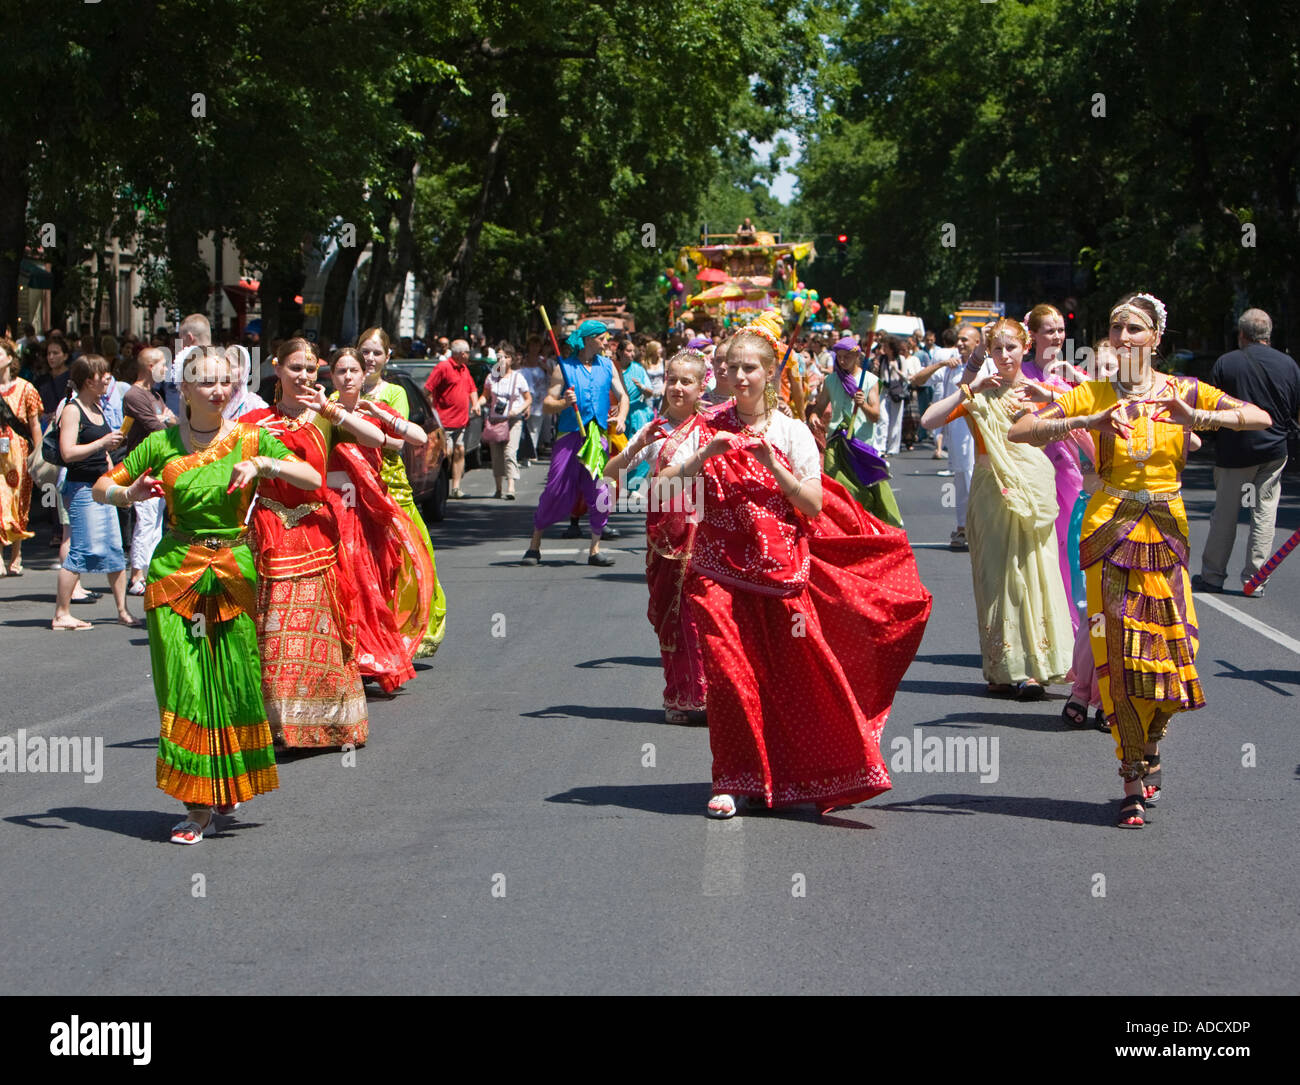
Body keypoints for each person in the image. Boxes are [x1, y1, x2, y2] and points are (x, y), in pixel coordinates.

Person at [1009, 292, 1271, 828]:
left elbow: (1259, 416)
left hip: (1167, 533)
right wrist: (1088, 423)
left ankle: (1152, 745)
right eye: (1115, 329)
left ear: (1155, 338)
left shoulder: (1182, 390)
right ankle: (1130, 778)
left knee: (1177, 651)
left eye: (1134, 330)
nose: (1123, 338)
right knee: (1119, 654)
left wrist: (1195, 415)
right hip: (1110, 532)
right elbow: (1021, 430)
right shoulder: (1094, 392)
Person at [657, 311, 931, 818]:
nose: (739, 378)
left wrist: (772, 465)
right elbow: (662, 486)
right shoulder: (704, 427)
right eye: (732, 368)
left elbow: (810, 504)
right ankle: (731, 779)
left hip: (781, 577)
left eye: (750, 369)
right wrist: (704, 454)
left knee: (788, 683)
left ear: (769, 375)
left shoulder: (791, 432)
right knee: (729, 678)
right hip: (716, 573)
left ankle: (789, 774)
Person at [97, 345, 321, 843]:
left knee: (230, 682)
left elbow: (311, 477)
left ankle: (226, 780)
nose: (219, 390)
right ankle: (197, 805)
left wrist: (266, 464)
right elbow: (100, 487)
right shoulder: (162, 444)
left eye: (227, 381)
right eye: (207, 381)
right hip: (174, 573)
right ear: (184, 388)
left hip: (233, 572)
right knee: (183, 686)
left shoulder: (249, 437)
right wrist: (127, 494)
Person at [243, 338, 387, 747]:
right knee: (273, 629)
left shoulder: (325, 417)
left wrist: (331, 409)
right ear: (277, 368)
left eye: (310, 369)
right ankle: (277, 726)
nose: (304, 376)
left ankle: (325, 724)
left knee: (319, 628)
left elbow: (375, 438)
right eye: (295, 368)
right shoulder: (255, 421)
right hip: (269, 530)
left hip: (316, 532)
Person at [922, 318, 1073, 699]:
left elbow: (1081, 417)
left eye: (1011, 348)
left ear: (1026, 347)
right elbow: (928, 420)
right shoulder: (979, 393)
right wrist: (969, 388)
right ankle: (1003, 666)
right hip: (991, 490)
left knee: (1033, 574)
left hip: (1033, 488)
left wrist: (1052, 397)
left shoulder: (1040, 390)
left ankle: (1036, 667)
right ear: (987, 353)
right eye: (996, 349)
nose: (1004, 356)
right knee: (997, 578)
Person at [605, 349, 710, 723]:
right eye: (672, 380)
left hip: (706, 536)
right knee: (672, 615)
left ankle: (712, 698)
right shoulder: (656, 429)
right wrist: (636, 444)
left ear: (701, 387)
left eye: (686, 381)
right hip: (665, 540)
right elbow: (609, 474)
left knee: (705, 617)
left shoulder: (712, 429)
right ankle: (681, 696)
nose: (677, 387)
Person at [328, 348, 431, 690]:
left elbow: (417, 438)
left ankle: (373, 653)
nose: (347, 377)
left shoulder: (375, 406)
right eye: (340, 371)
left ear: (362, 375)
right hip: (339, 505)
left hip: (374, 505)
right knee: (350, 580)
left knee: (377, 578)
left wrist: (383, 419)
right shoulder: (324, 410)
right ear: (332, 376)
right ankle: (353, 655)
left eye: (353, 371)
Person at [352, 327, 447, 656]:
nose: (370, 358)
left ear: (387, 357)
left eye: (377, 353)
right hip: (350, 486)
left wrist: (359, 427)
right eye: (364, 351)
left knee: (405, 558)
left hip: (388, 481)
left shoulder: (393, 393)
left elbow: (396, 440)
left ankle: (404, 632)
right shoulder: (338, 395)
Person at [1193, 307, 1300, 597]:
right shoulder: (1289, 365)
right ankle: (1256, 579)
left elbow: (1211, 408)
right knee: (1264, 513)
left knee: (1226, 514)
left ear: (1241, 334)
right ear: (1268, 334)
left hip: (1236, 452)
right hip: (1274, 452)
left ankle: (1213, 576)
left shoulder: (1227, 363)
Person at [521, 320, 628, 568]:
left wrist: (621, 417)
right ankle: (534, 545)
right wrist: (563, 403)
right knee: (555, 488)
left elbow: (622, 397)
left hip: (596, 435)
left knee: (600, 491)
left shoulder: (608, 366)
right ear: (589, 339)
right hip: (569, 435)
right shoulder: (564, 368)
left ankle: (595, 549)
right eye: (602, 338)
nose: (606, 342)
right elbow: (547, 403)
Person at [50, 355, 139, 631]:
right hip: (81, 489)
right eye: (104, 374)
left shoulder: (96, 406)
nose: (108, 378)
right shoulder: (72, 409)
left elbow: (99, 451)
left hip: (101, 486)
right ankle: (61, 614)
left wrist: (109, 462)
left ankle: (122, 610)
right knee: (79, 550)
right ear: (89, 380)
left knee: (114, 549)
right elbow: (67, 452)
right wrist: (102, 442)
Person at [1023, 304, 1094, 632]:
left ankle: (1069, 627)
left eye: (1060, 330)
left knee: (1069, 547)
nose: (1056, 336)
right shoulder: (1020, 375)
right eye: (1048, 330)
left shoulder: (1072, 376)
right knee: (1035, 550)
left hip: (1067, 472)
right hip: (1030, 469)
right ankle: (1038, 627)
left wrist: (1080, 381)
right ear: (1033, 335)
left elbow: (1099, 412)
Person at [807, 336, 903, 526]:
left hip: (862, 443)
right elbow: (818, 408)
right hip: (836, 441)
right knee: (836, 485)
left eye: (846, 357)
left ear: (857, 356)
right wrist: (813, 417)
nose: (842, 361)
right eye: (839, 357)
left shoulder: (869, 380)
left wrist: (863, 404)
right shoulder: (831, 380)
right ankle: (845, 524)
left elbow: (875, 416)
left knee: (864, 490)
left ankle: (869, 523)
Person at [120, 346, 176, 595]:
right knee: (145, 521)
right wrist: (165, 420)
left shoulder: (155, 395)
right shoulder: (135, 395)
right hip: (144, 469)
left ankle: (149, 571)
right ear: (151, 367)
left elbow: (172, 421)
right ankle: (136, 576)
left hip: (160, 467)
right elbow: (158, 427)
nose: (167, 370)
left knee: (155, 523)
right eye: (163, 364)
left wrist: (167, 420)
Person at [0, 337, 44, 576]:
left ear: (9, 359)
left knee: (18, 502)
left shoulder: (26, 388)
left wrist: (38, 455)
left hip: (18, 453)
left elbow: (35, 424)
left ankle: (16, 554)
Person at [424, 338, 479, 498]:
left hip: (461, 422)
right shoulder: (443, 367)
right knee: (444, 455)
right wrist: (430, 412)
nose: (469, 355)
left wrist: (475, 404)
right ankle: (440, 489)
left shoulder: (464, 369)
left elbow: (472, 388)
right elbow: (427, 390)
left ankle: (456, 488)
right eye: (468, 352)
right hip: (445, 423)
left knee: (460, 451)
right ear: (461, 353)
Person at [481, 347, 532, 499]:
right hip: (496, 420)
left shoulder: (518, 378)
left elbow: (528, 398)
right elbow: (485, 395)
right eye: (499, 357)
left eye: (506, 357)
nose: (502, 360)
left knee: (509, 453)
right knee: (496, 456)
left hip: (513, 420)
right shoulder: (492, 377)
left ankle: (511, 487)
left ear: (511, 359)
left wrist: (519, 410)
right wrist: (477, 403)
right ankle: (498, 488)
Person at [614, 338, 655, 483]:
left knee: (640, 447)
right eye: (628, 351)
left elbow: (651, 392)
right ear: (619, 352)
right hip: (618, 414)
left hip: (638, 413)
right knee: (622, 449)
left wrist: (642, 388)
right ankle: (619, 481)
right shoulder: (613, 368)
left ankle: (635, 484)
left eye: (633, 351)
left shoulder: (638, 369)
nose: (632, 354)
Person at [519, 335, 550, 468]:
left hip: (539, 400)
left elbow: (551, 374)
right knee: (524, 427)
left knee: (535, 429)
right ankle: (525, 453)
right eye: (532, 345)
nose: (534, 348)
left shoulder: (543, 361)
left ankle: (531, 453)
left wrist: (544, 366)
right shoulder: (523, 361)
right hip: (524, 399)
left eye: (537, 345)